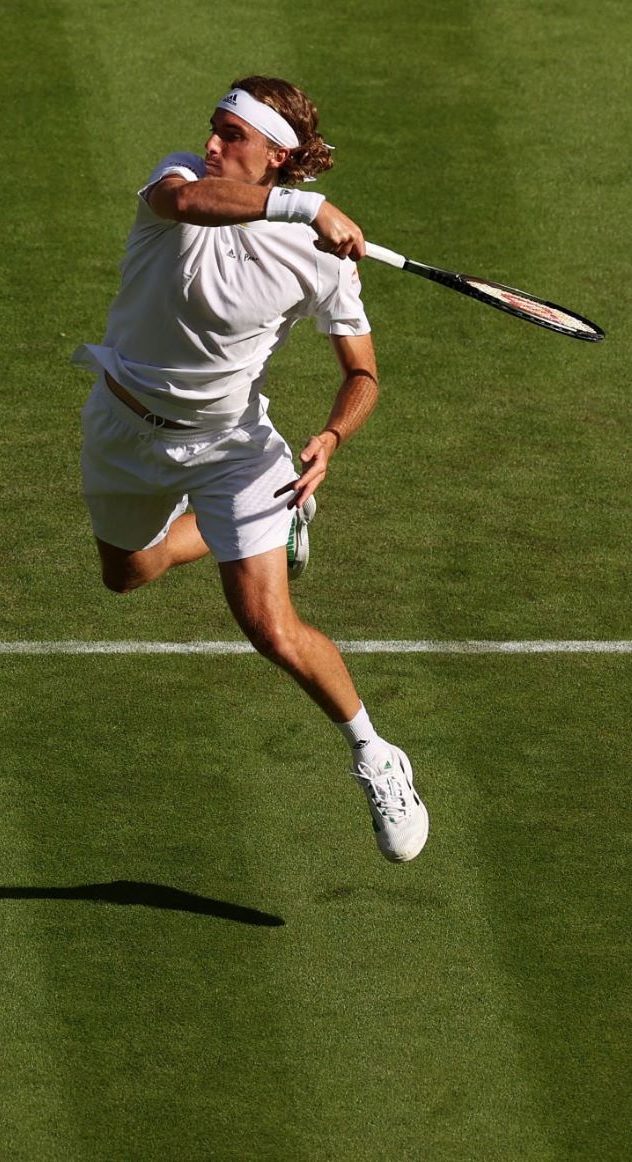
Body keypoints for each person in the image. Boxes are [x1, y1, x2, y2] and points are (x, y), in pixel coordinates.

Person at [73, 76, 429, 862]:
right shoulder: (178, 187)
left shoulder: (324, 263)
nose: (209, 145)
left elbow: (362, 373)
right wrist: (308, 208)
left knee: (269, 626)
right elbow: (188, 204)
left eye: (231, 136)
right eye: (212, 128)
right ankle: (267, 520)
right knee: (126, 574)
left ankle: (374, 751)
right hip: (124, 430)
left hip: (234, 447)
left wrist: (331, 439)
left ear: (276, 154)